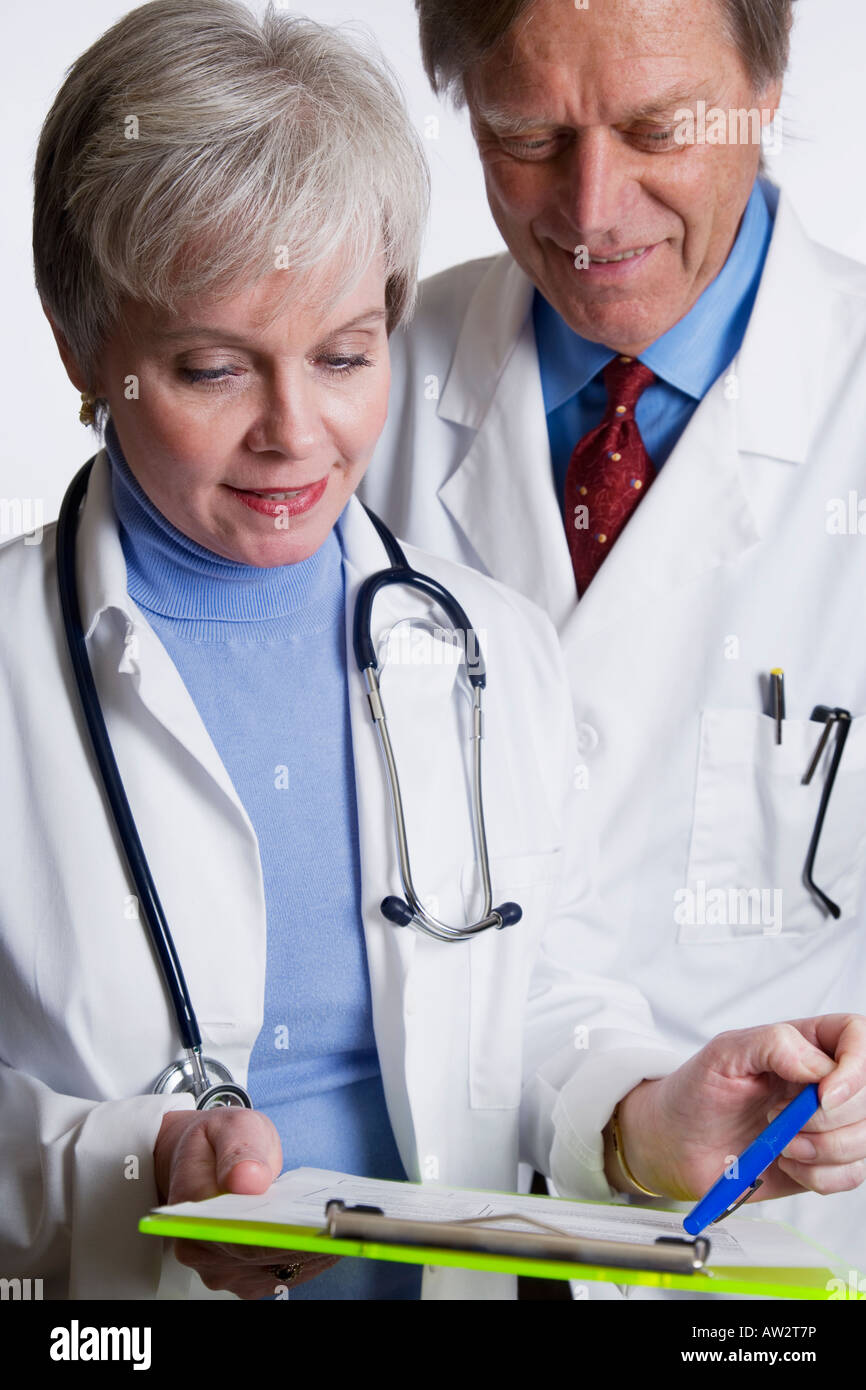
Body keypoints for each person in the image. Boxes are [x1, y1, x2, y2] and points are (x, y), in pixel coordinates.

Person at [2, 0, 864, 1303]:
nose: (295, 433)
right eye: (211, 367)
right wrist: (130, 1167)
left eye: (347, 353)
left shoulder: (479, 643)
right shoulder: (30, 655)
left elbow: (523, 1008)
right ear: (79, 344)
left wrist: (643, 1123)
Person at [360, 0, 866, 1277]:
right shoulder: (345, 387)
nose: (588, 210)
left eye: (654, 129)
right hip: (425, 1230)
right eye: (523, 132)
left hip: (773, 1257)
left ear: (765, 84)